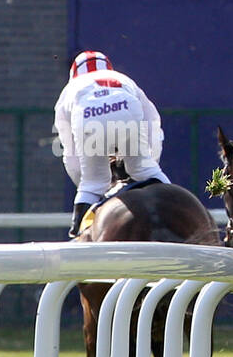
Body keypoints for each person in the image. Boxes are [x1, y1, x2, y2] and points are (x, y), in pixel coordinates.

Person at [54, 50, 168, 237]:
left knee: (93, 183)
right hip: (127, 110)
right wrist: (149, 163)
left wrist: (84, 181)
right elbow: (153, 125)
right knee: (146, 170)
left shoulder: (69, 91)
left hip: (89, 121)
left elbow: (70, 155)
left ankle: (77, 235)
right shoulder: (123, 79)